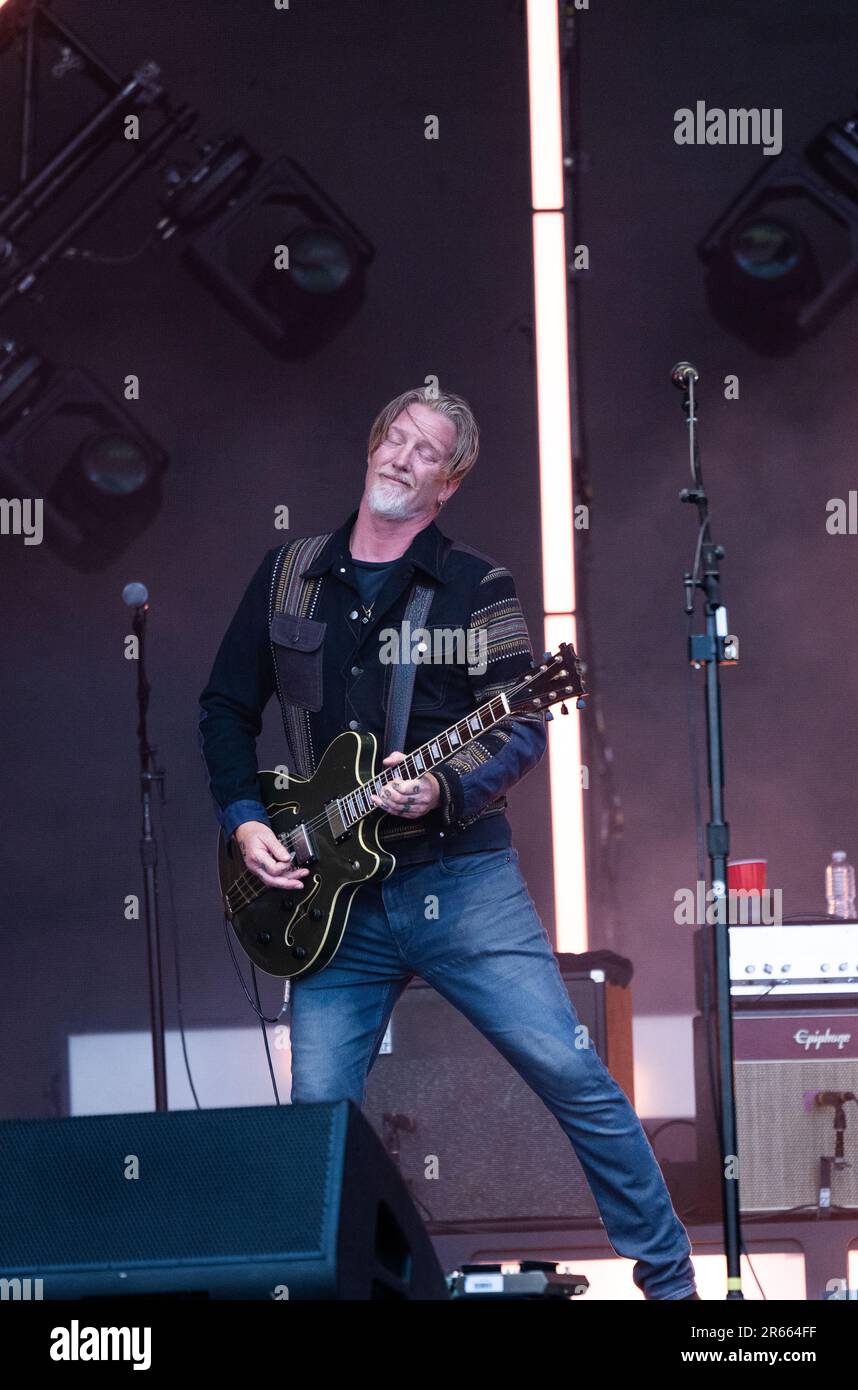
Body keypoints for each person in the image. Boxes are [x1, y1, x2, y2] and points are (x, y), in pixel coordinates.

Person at [198, 386, 698, 1300]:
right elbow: (225, 708)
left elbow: (523, 725)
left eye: (426, 451)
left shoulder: (478, 586)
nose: (400, 455)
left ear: (449, 481)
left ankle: (673, 1291)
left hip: (461, 881)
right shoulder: (288, 574)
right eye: (393, 435)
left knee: (570, 1073)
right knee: (318, 1125)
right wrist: (246, 820)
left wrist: (446, 786)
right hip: (328, 902)